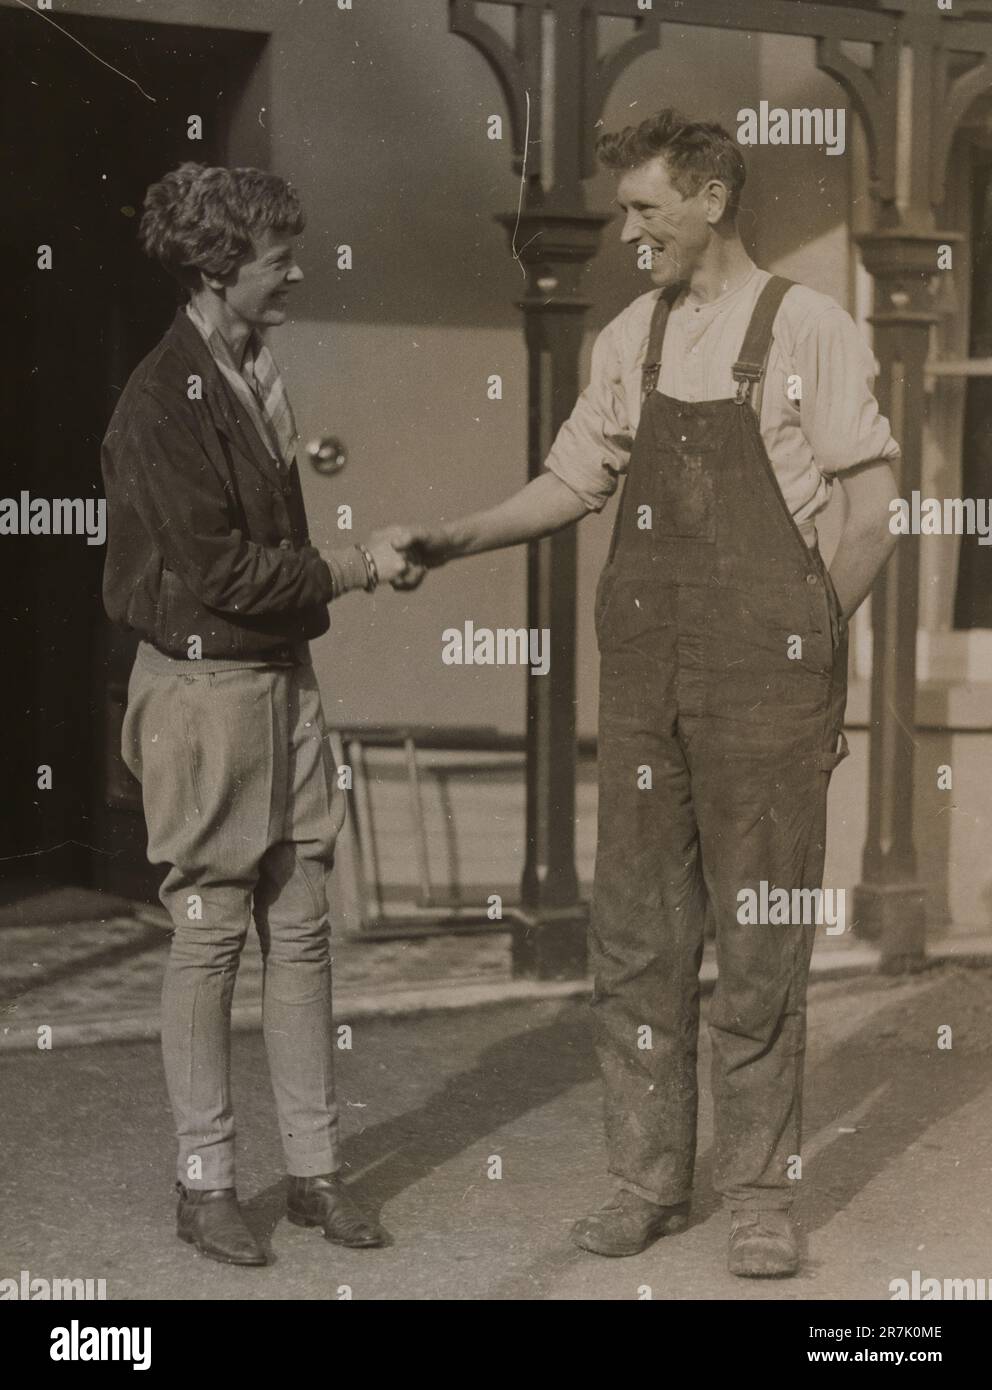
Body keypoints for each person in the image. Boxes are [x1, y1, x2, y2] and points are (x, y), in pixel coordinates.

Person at [397, 111, 900, 1278]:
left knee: (759, 946)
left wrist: (804, 652)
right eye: (625, 211)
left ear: (712, 198)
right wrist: (454, 534)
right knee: (634, 944)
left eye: (645, 210)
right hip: (643, 689)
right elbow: (573, 479)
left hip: (765, 690)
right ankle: (642, 1178)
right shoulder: (628, 335)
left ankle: (758, 1195)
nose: (630, 231)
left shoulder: (807, 329)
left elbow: (872, 514)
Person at [101, 162, 423, 1267]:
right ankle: (205, 1183)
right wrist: (357, 566)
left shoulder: (249, 368)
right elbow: (223, 570)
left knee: (302, 926)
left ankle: (315, 1173)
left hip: (278, 682)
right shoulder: (159, 399)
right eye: (276, 255)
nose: (294, 268)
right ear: (214, 266)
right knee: (207, 936)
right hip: (204, 692)